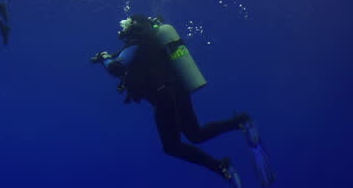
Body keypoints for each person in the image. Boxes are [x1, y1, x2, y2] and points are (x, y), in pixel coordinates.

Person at [92, 14, 249, 186]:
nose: (122, 28)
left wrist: (105, 58)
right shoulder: (152, 42)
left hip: (163, 96)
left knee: (172, 146)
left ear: (133, 25)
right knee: (196, 134)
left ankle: (221, 168)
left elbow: (116, 68)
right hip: (179, 90)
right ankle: (240, 122)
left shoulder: (136, 41)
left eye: (125, 24)